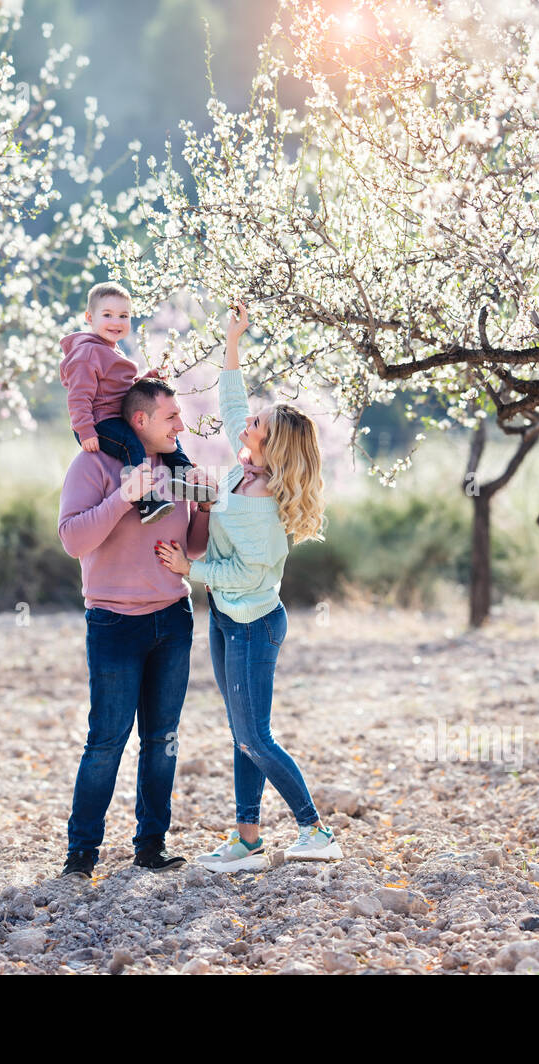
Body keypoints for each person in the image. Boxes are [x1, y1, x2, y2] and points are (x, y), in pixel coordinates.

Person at [156, 302, 340, 872]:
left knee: (256, 737)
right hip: (229, 619)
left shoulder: (263, 510)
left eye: (256, 426)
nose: (246, 424)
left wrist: (193, 572)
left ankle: (315, 830)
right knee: (242, 737)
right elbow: (232, 400)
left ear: (270, 446)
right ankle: (247, 840)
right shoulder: (244, 471)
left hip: (254, 624)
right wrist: (232, 341)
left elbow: (245, 575)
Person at [57, 375, 218, 879]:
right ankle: (81, 856)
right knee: (106, 740)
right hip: (113, 623)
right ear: (140, 421)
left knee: (163, 738)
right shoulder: (93, 464)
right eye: (171, 417)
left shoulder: (177, 467)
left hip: (173, 619)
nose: (181, 426)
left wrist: (206, 510)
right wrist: (124, 497)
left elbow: (191, 549)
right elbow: (72, 540)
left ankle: (151, 847)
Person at [60, 281, 215, 523]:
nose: (117, 322)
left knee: (168, 441)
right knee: (131, 444)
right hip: (99, 423)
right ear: (90, 317)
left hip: (119, 416)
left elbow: (124, 390)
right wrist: (85, 429)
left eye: (124, 315)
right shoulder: (87, 353)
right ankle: (146, 501)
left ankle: (184, 476)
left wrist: (146, 378)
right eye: (108, 314)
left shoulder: (112, 350)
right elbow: (79, 396)